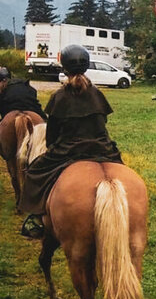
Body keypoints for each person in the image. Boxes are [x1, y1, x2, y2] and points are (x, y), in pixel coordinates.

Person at [19, 45, 123, 238]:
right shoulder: (97, 94)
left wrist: (52, 146)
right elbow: (102, 122)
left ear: (64, 67)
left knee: (34, 172)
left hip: (67, 152)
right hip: (102, 149)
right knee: (122, 169)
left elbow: (52, 135)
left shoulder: (59, 97)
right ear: (86, 66)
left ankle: (36, 218)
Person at [0, 67, 46, 131]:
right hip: (31, 109)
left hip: (10, 112)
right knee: (45, 122)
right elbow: (34, 94)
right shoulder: (25, 85)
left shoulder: (1, 90)